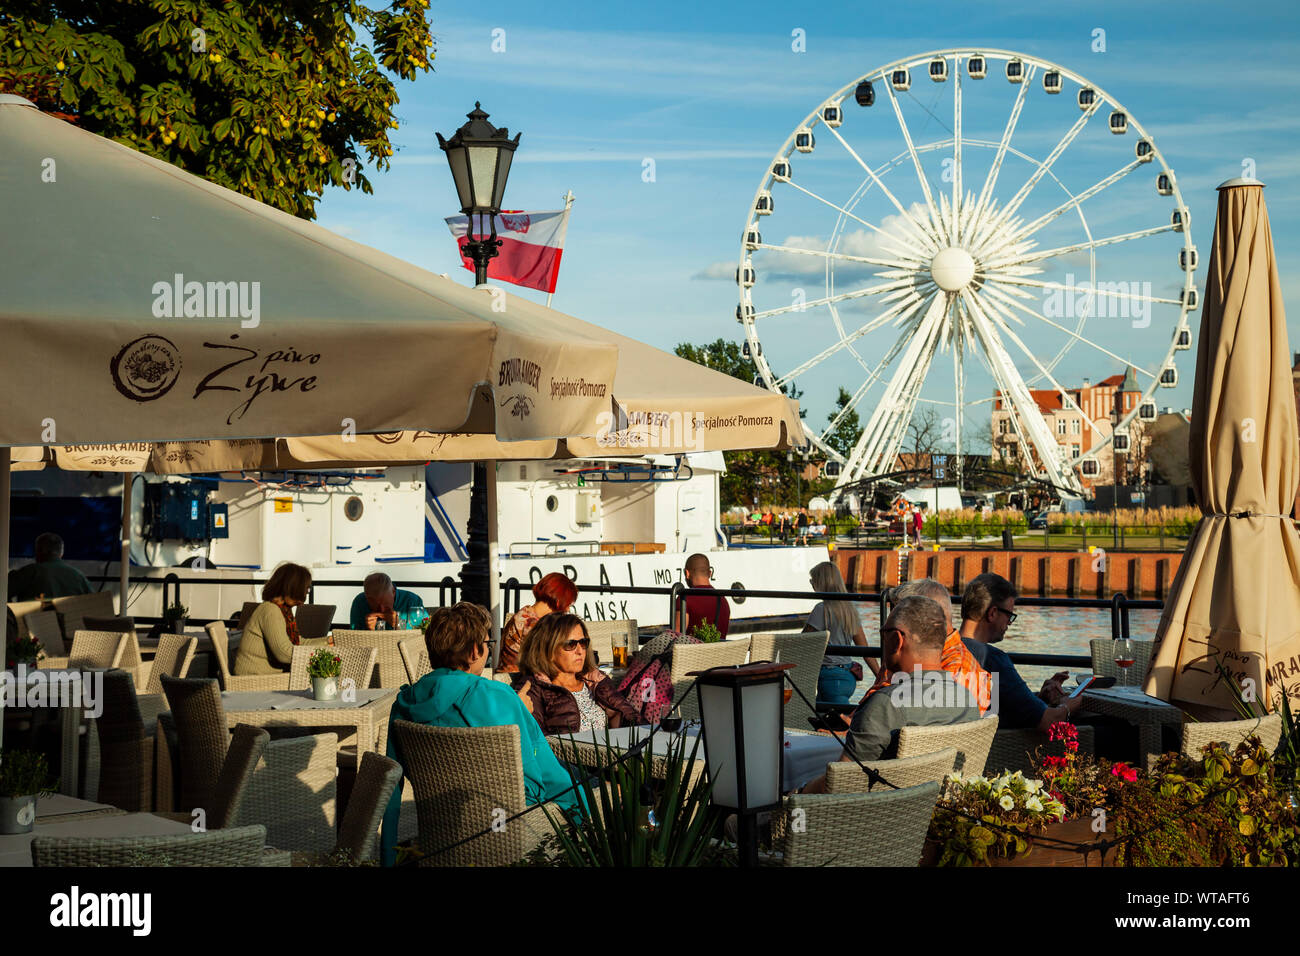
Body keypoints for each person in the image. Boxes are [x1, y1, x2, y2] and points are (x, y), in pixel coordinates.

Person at [379, 602, 585, 866]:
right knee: (590, 783)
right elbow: (540, 779)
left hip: (442, 829)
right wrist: (584, 814)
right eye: (488, 642)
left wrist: (388, 856)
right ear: (475, 649)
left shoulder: (405, 702)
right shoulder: (496, 695)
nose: (489, 649)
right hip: (508, 823)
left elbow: (391, 785)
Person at [799, 597, 982, 792]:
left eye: (883, 633)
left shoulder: (886, 704)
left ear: (896, 639)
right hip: (943, 814)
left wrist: (798, 793)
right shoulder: (967, 699)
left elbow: (841, 783)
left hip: (877, 817)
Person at [959, 573, 1082, 731]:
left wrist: (1038, 699)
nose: (1009, 623)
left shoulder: (941, 649)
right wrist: (1068, 706)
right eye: (1009, 616)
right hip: (1001, 750)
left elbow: (1000, 703)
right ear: (992, 613)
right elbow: (1048, 722)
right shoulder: (993, 660)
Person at [864, 578, 990, 714]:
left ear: (930, 615)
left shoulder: (956, 673)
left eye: (900, 614)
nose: (890, 621)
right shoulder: (905, 649)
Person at [517, 614, 643, 734]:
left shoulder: (594, 680)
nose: (580, 651)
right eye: (570, 644)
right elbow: (534, 740)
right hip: (566, 756)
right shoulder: (533, 687)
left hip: (611, 754)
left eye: (583, 643)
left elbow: (634, 719)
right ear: (547, 649)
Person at [234, 562, 329, 675]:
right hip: (255, 679)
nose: (306, 592)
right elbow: (284, 654)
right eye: (306, 588)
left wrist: (327, 642)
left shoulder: (282, 610)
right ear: (293, 587)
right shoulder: (270, 611)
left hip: (266, 676)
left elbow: (297, 642)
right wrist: (324, 652)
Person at [808, 561, 877, 706]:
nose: (811, 585)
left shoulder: (821, 609)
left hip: (829, 677)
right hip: (847, 675)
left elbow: (802, 642)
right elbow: (865, 650)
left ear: (821, 583)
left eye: (812, 581)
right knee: (824, 717)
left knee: (838, 721)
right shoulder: (849, 610)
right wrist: (880, 675)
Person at [498, 572, 578, 673]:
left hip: (515, 678)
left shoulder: (525, 615)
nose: (567, 609)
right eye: (568, 604)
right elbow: (551, 661)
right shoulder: (532, 624)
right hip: (520, 681)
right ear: (558, 600)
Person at [8, 533, 92, 602]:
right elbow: (93, 602)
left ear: (39, 551)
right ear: (61, 553)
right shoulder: (78, 576)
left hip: (32, 621)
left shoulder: (28, 572)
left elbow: (3, 592)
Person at [674, 552, 730, 638]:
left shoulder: (685, 599)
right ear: (710, 574)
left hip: (693, 651)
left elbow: (676, 637)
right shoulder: (723, 600)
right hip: (719, 651)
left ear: (687, 573)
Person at [348, 572, 424, 631]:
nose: (382, 609)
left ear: (393, 592)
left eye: (386, 604)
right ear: (367, 598)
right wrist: (368, 630)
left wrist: (399, 625)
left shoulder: (413, 601)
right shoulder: (359, 602)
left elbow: (424, 632)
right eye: (376, 605)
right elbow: (353, 637)